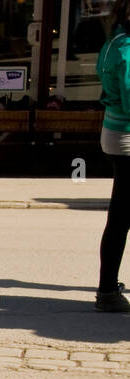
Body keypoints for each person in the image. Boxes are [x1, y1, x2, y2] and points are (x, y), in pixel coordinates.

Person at [96, 0, 130, 312]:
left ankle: (107, 286)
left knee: (120, 215)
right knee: (121, 217)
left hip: (114, 132)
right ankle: (107, 290)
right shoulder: (128, 48)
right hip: (127, 135)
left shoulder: (113, 42)